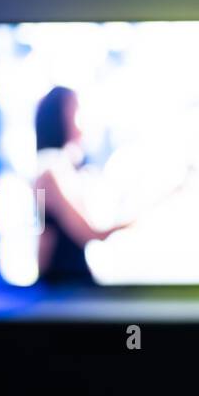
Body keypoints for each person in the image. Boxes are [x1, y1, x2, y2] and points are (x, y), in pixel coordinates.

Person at [31, 86, 133, 283]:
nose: (83, 122)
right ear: (59, 118)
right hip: (63, 288)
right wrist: (137, 216)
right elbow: (90, 232)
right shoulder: (51, 169)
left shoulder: (65, 166)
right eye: (76, 110)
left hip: (69, 284)